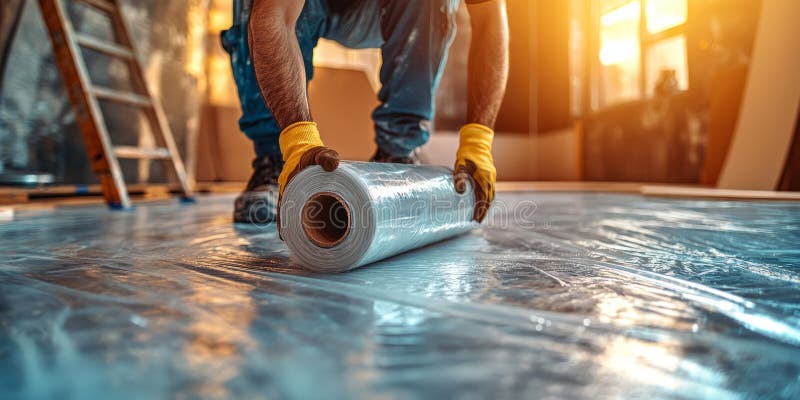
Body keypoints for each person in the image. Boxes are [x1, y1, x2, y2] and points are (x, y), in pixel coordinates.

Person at [222, 0, 508, 225]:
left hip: (385, 9)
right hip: (309, 6)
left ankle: (398, 153)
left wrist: (478, 141)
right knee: (254, 4)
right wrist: (298, 142)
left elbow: (490, 20)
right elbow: (275, 15)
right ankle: (275, 160)